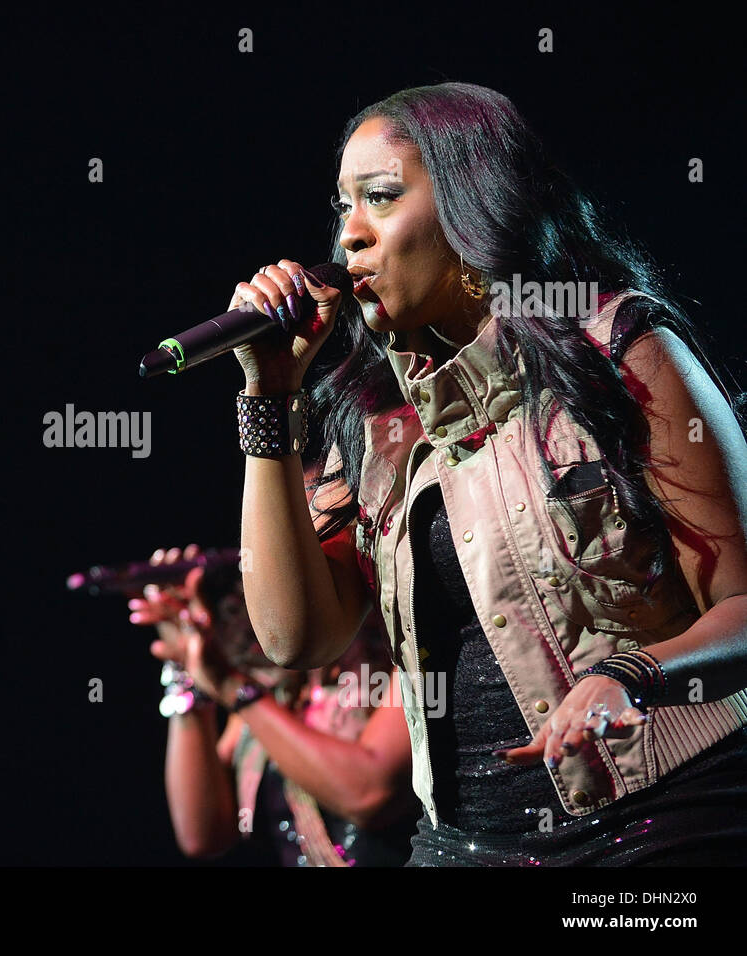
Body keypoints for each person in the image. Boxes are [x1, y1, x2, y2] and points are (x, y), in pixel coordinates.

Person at [225, 82, 747, 865]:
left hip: (662, 824)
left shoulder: (619, 354)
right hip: (461, 847)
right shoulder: (378, 426)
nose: (349, 239)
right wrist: (270, 398)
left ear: (472, 203)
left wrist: (635, 674)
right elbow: (295, 637)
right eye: (342, 209)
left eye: (380, 197)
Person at [129, 541, 417, 866]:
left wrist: (233, 689)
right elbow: (203, 833)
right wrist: (187, 666)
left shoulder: (412, 646)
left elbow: (368, 794)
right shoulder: (279, 681)